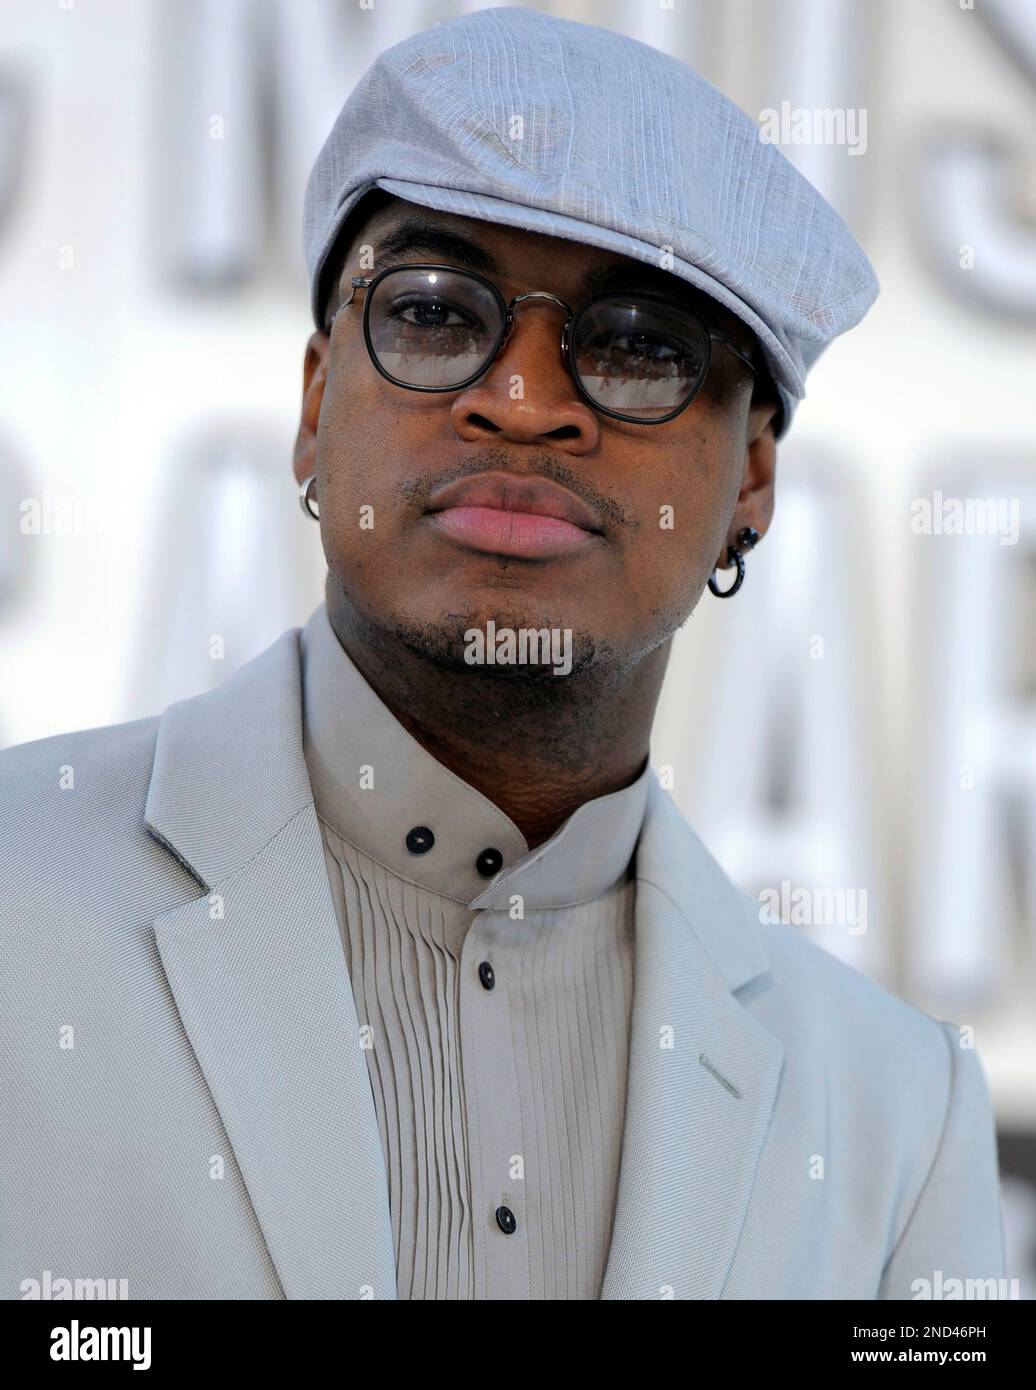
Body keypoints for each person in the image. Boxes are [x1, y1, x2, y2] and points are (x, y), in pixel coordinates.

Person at [1, 5, 1005, 1300]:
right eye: (433, 313)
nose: (522, 400)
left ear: (752, 472)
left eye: (640, 345)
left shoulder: (897, 1113)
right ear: (315, 405)